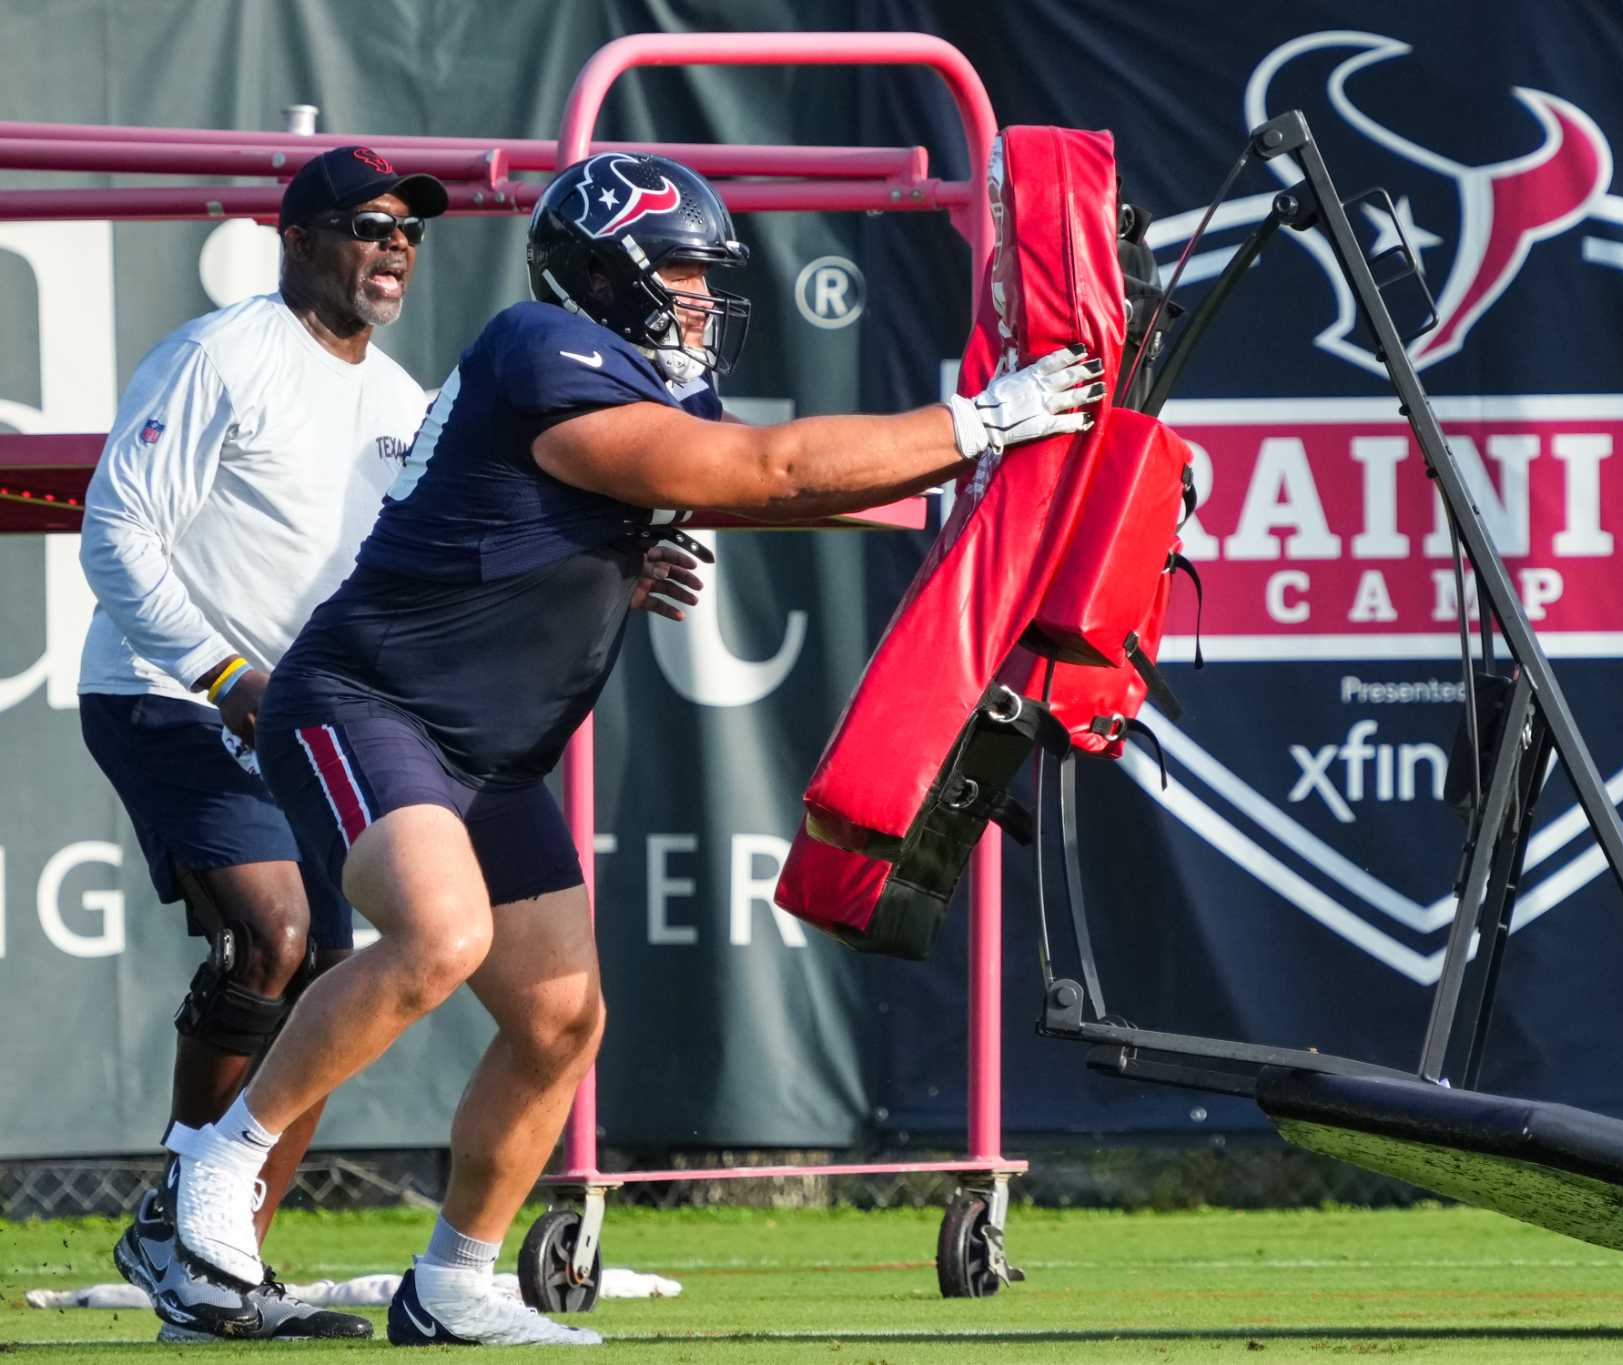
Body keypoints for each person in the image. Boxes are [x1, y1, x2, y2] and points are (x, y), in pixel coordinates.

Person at [161, 150, 1100, 1348]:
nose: (701, 296)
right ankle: (213, 1170)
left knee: (558, 1019)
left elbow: (757, 491)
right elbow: (766, 470)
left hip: (490, 751)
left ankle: (452, 1282)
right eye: (679, 269)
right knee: (440, 935)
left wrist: (971, 480)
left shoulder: (621, 380)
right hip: (368, 702)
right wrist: (975, 422)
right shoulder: (538, 346)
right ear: (603, 272)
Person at [76, 144, 450, 1344]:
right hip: (169, 691)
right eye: (365, 224)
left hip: (299, 714)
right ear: (295, 239)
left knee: (334, 978)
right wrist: (226, 674)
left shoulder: (403, 404)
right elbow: (115, 532)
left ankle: (217, 1264)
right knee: (274, 932)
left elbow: (460, 558)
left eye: (407, 229)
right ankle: (187, 1234)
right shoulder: (222, 353)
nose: (391, 246)